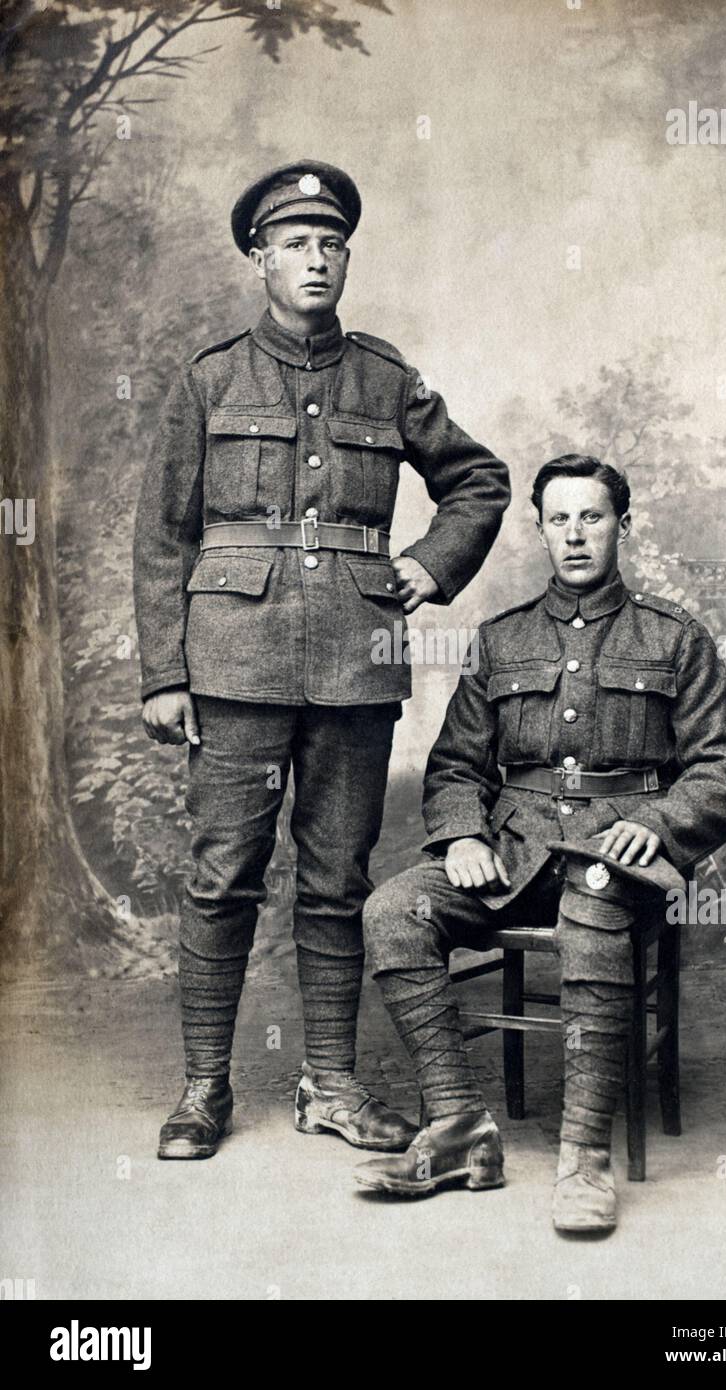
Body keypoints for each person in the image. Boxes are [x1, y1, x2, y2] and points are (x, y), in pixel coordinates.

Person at [132, 160, 511, 1160]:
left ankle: (331, 1087)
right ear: (258, 256)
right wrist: (165, 675)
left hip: (354, 664)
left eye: (331, 243)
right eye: (296, 243)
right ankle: (203, 1087)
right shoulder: (210, 379)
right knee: (224, 876)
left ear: (347, 256)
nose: (316, 258)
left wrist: (428, 568)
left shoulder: (386, 379)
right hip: (234, 667)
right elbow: (164, 536)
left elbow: (478, 479)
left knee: (337, 878)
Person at [357, 454, 726, 1230]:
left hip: (622, 855)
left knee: (597, 905)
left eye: (593, 517)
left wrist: (656, 825)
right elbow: (456, 765)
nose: (576, 535)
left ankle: (583, 1159)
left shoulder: (674, 639)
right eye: (560, 520)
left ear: (622, 527)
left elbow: (723, 769)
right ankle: (460, 1126)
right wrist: (464, 834)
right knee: (392, 910)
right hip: (516, 851)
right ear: (540, 530)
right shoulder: (501, 640)